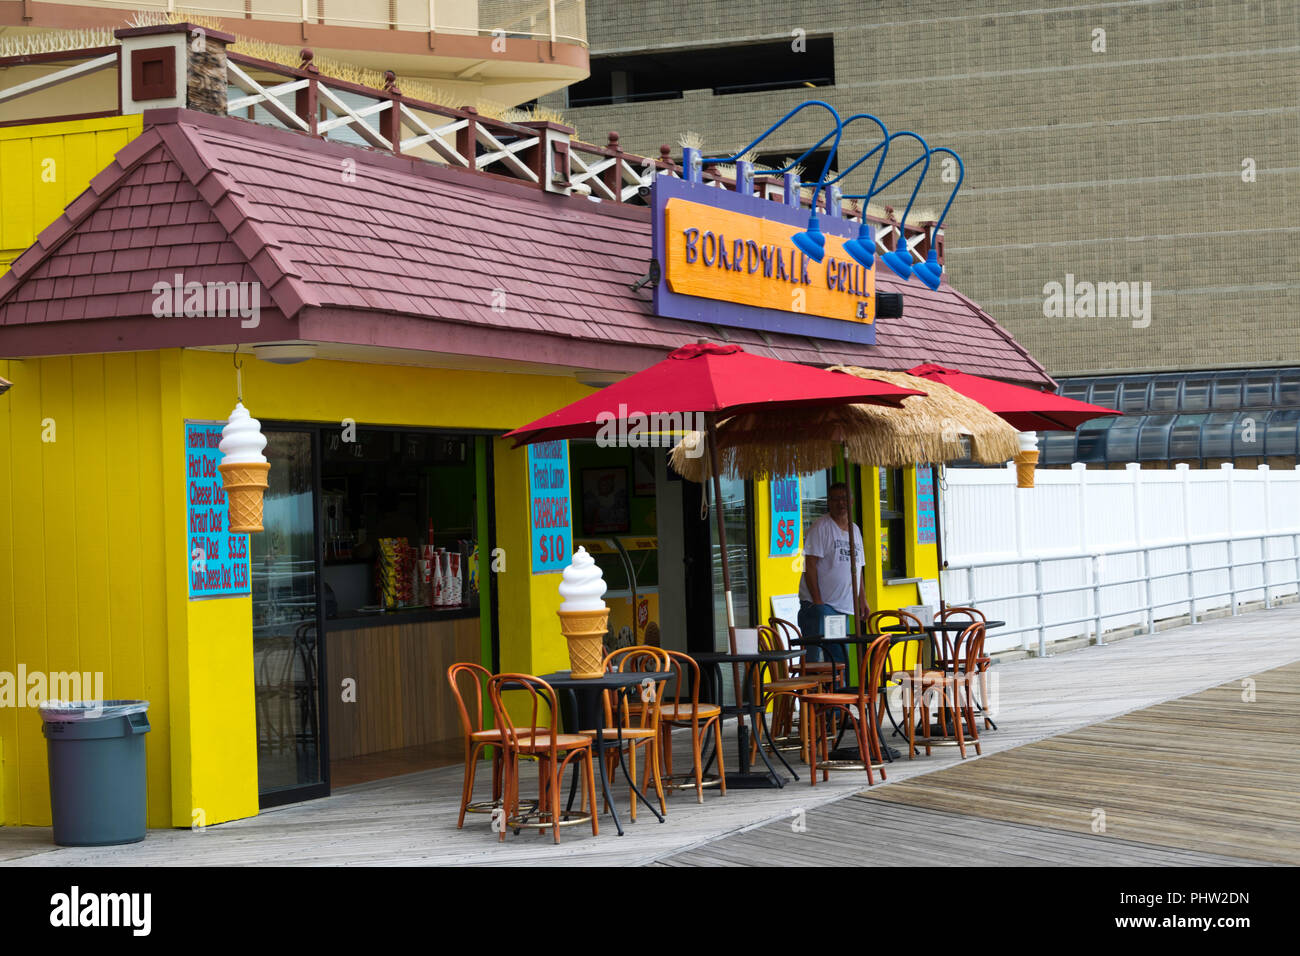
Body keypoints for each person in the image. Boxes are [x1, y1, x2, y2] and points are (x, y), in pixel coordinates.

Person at [798, 482, 871, 687]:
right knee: (820, 660)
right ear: (828, 502)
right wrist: (819, 602)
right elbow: (809, 566)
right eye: (836, 499)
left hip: (842, 608)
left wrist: (862, 600)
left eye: (844, 498)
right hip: (821, 607)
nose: (841, 503)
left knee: (839, 661)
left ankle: (839, 710)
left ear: (852, 501)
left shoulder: (855, 530)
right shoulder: (821, 527)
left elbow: (858, 568)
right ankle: (818, 710)